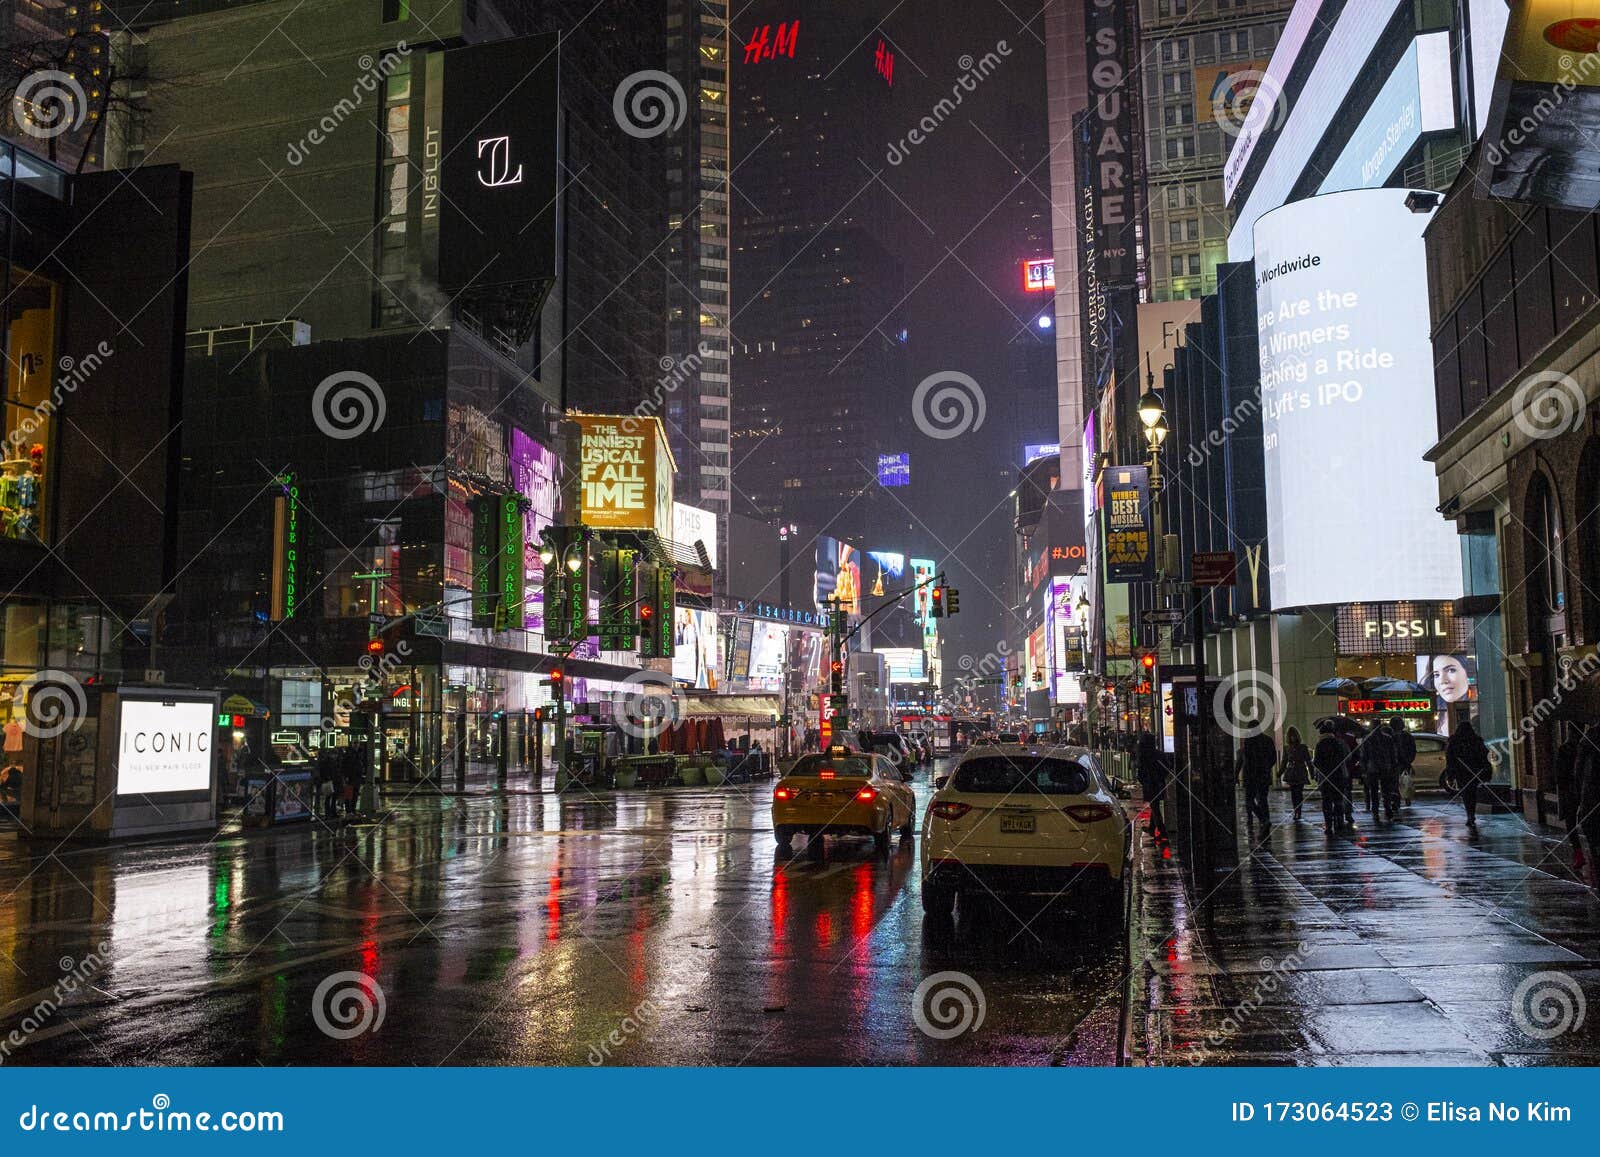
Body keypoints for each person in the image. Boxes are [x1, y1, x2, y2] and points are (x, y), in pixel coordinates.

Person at [1445, 718, 1492, 832]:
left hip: (1461, 772)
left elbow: (1450, 758)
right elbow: (1484, 753)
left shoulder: (1455, 741)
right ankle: (1471, 814)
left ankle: (1469, 814)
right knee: (1472, 792)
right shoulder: (1475, 740)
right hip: (1474, 771)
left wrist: (1451, 773)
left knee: (1466, 793)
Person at [1237, 724, 1277, 829]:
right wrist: (1266, 767)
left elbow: (1245, 759)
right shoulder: (1268, 740)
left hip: (1251, 776)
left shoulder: (1249, 741)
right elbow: (1273, 758)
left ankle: (1263, 819)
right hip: (1263, 775)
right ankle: (1266, 819)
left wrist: (1237, 774)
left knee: (1249, 800)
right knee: (1263, 799)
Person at [1313, 722, 1351, 833]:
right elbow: (1347, 757)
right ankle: (1339, 821)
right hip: (1338, 775)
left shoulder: (1320, 745)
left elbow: (1316, 762)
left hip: (1325, 777)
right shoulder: (1339, 743)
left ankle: (1328, 824)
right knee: (1338, 799)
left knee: (1326, 801)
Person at [1360, 719, 1400, 820]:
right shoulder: (1387, 738)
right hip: (1385, 767)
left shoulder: (1367, 739)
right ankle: (1387, 808)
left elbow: (1364, 755)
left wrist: (1364, 768)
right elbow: (1392, 754)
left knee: (1373, 790)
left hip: (1372, 768)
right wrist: (1393, 765)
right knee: (1386, 789)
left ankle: (1375, 809)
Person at [1136, 730, 1167, 840]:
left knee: (1155, 807)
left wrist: (1145, 781)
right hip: (1159, 784)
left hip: (1149, 785)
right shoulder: (1159, 754)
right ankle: (1152, 828)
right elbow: (1166, 768)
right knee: (1155, 805)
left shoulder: (1143, 756)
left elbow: (1140, 773)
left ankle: (1162, 831)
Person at [1279, 726, 1312, 822]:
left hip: (1300, 771)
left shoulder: (1303, 747)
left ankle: (1299, 810)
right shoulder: (1287, 748)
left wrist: (1312, 773)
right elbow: (1284, 762)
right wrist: (1280, 772)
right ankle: (1296, 810)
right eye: (1291, 736)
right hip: (1292, 772)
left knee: (1299, 793)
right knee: (1294, 793)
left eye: (1294, 736)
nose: (1292, 738)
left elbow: (1308, 761)